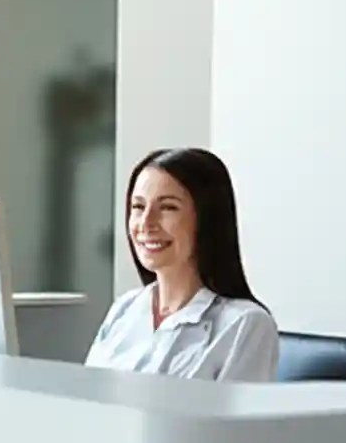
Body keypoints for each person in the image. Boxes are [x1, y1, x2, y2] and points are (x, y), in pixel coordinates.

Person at [84, 148, 278, 381]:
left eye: (168, 207)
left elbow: (232, 417)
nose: (146, 223)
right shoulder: (125, 309)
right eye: (138, 207)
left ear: (208, 219)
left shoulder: (245, 324)